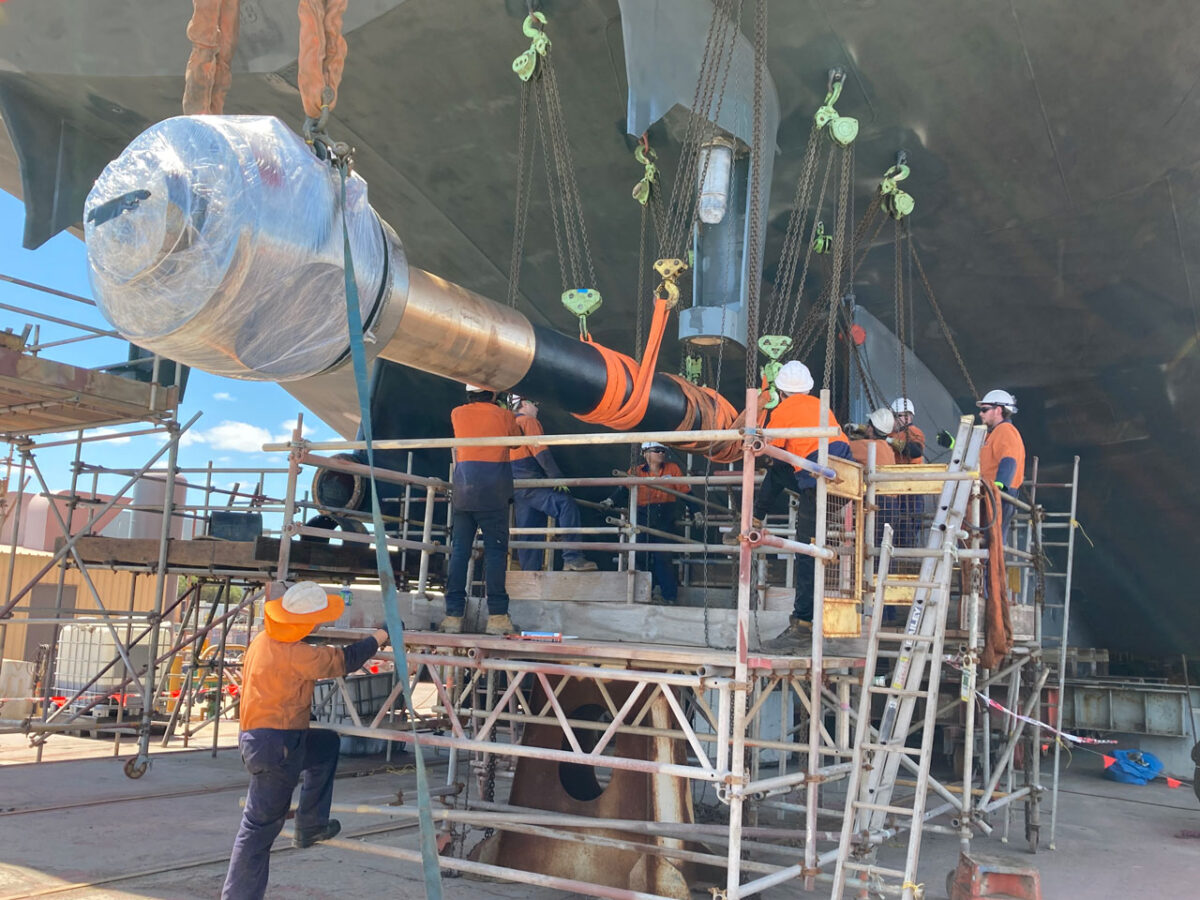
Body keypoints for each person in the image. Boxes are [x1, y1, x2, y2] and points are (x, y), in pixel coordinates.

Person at [222, 581, 388, 900]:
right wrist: (379, 637)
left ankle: (310, 823)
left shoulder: (263, 641)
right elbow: (344, 660)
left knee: (326, 745)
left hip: (268, 739)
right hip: (277, 746)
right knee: (257, 831)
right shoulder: (298, 655)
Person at [739, 361, 855, 652]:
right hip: (842, 476)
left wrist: (752, 440)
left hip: (819, 477)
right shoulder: (819, 406)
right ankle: (754, 517)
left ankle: (803, 624)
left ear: (782, 390)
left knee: (807, 551)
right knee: (780, 475)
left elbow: (769, 447)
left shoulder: (785, 409)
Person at [443, 384, 523, 635]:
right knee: (496, 553)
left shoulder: (457, 413)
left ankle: (453, 617)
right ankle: (497, 617)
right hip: (493, 492)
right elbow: (518, 443)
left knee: (459, 552)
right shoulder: (504, 415)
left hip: (464, 490)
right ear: (494, 394)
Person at [509, 394, 598, 573]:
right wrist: (557, 478)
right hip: (530, 480)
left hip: (514, 483)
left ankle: (529, 574)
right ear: (524, 403)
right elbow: (541, 453)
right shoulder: (528, 421)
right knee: (565, 505)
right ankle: (572, 558)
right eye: (535, 403)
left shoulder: (507, 424)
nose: (537, 408)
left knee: (529, 530)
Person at [605, 442, 690, 603]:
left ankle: (668, 597)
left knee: (663, 557)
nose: (661, 453)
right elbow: (622, 490)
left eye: (663, 451)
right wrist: (610, 501)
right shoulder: (635, 471)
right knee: (640, 555)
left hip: (665, 516)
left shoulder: (673, 469)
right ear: (645, 454)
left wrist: (696, 511)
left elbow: (686, 492)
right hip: (643, 516)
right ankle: (643, 594)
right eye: (657, 450)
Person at [977, 389, 1025, 540]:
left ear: (998, 410)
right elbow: (977, 453)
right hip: (991, 492)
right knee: (987, 540)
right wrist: (953, 444)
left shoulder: (1005, 430)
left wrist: (999, 486)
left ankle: (992, 565)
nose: (980, 414)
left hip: (998, 494)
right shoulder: (993, 434)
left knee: (993, 540)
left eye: (984, 410)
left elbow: (1009, 461)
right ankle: (988, 564)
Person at [887, 397, 925, 463]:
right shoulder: (891, 433)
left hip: (909, 471)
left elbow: (916, 451)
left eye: (896, 415)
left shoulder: (914, 431)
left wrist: (890, 441)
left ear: (907, 416)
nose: (893, 418)